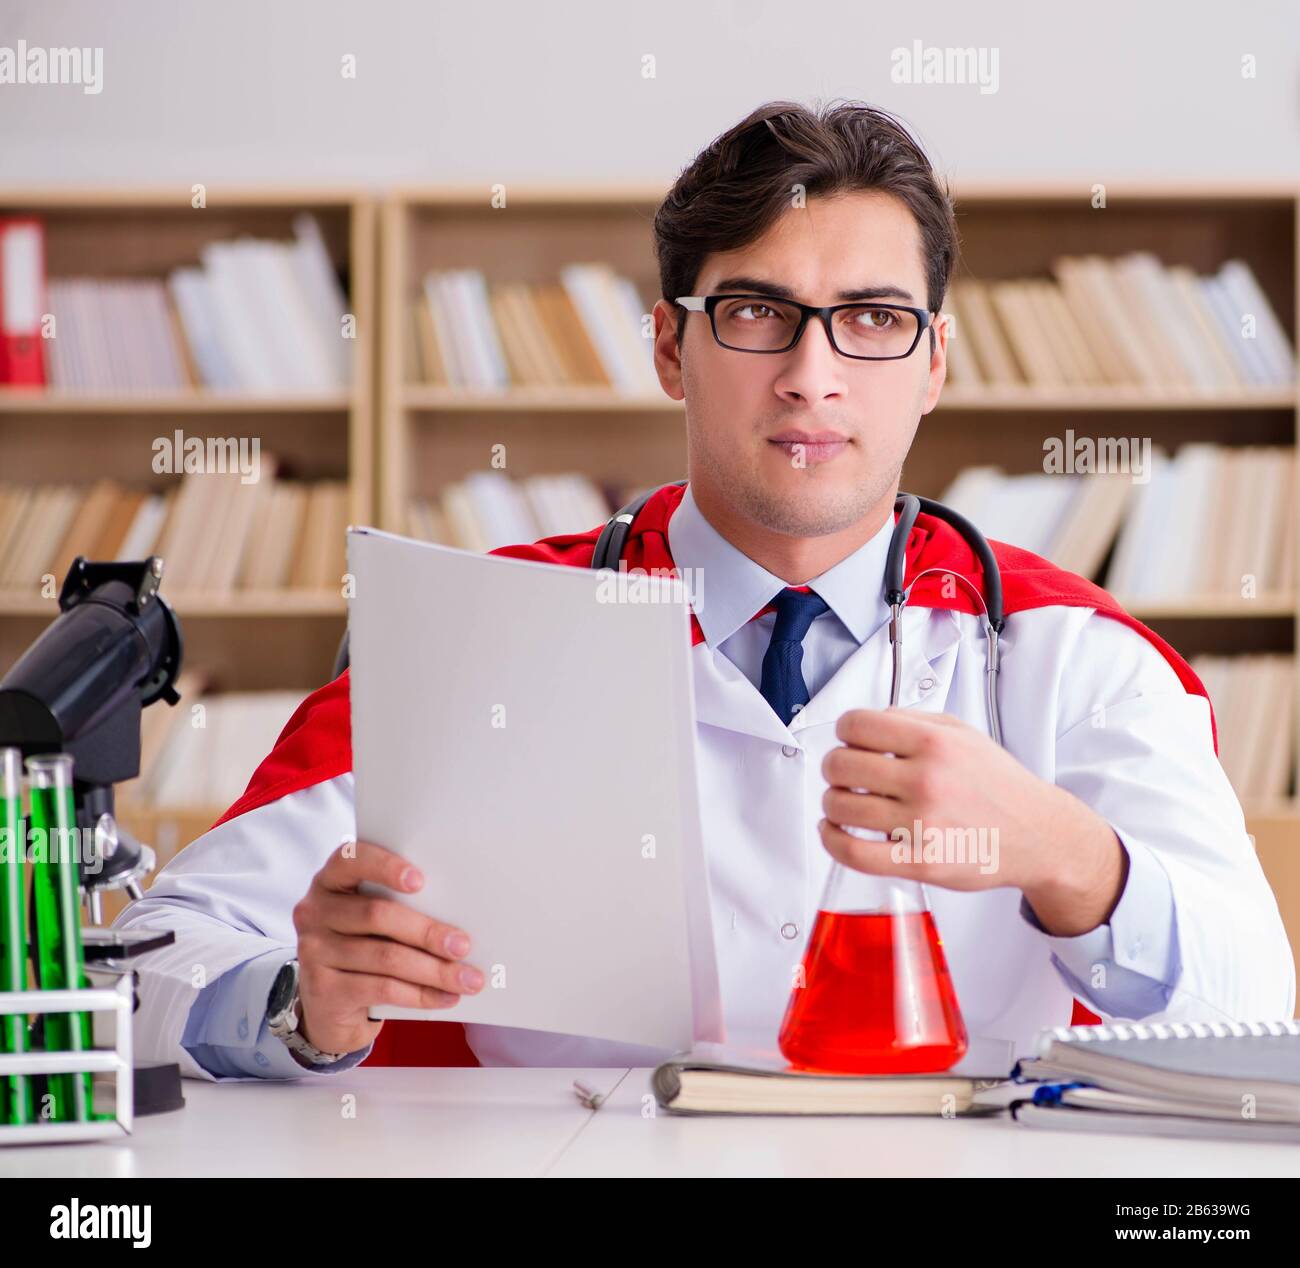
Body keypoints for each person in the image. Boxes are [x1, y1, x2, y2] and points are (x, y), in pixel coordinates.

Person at [114, 99, 1295, 1080]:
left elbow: (1261, 1019)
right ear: (671, 348)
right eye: (756, 314)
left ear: (933, 361)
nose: (810, 376)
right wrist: (297, 1002)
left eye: (872, 320)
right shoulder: (481, 640)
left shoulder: (1074, 655)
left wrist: (1072, 858)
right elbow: (147, 963)